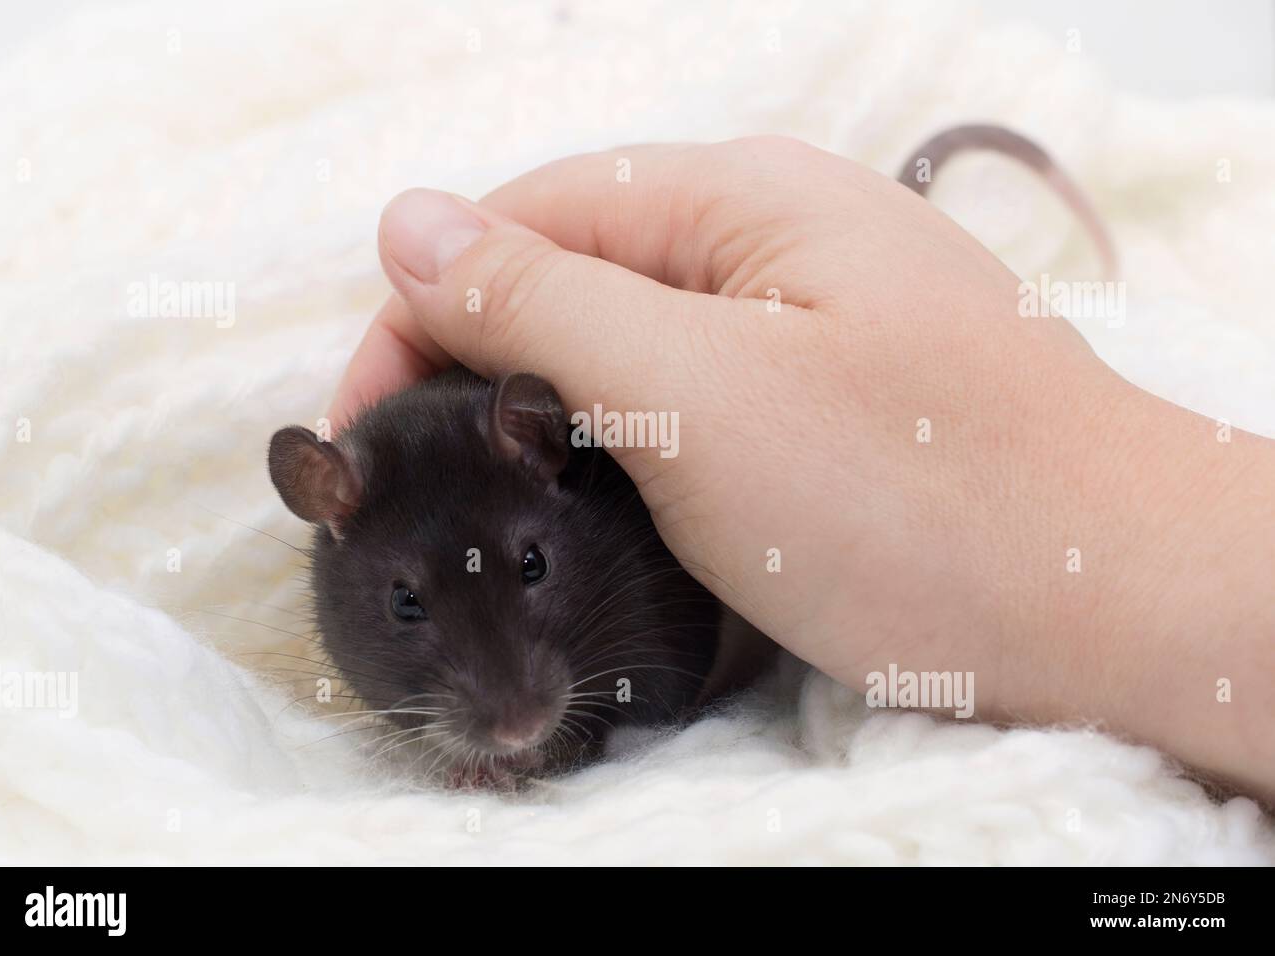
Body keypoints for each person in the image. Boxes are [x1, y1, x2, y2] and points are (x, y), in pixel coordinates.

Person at [330, 137, 1275, 800]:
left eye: (531, 570)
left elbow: (658, 676)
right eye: (409, 605)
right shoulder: (384, 549)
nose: (511, 708)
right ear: (323, 506)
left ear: (539, 447)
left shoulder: (611, 511)